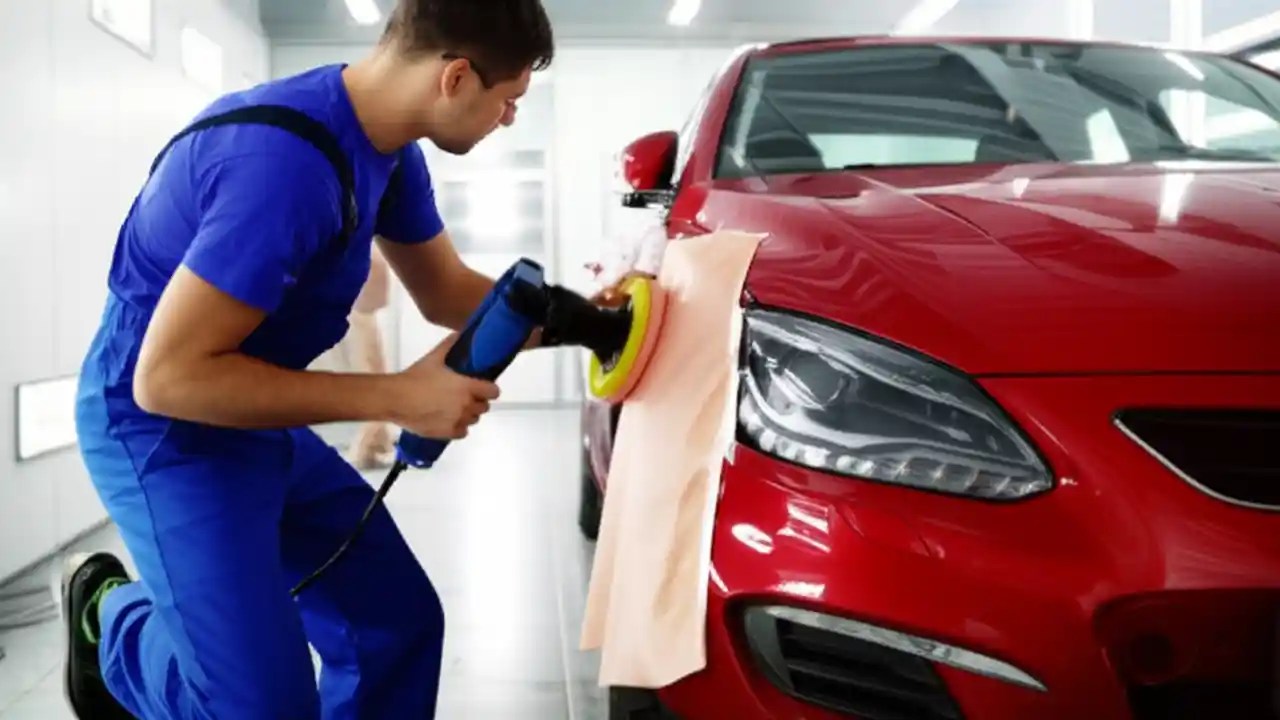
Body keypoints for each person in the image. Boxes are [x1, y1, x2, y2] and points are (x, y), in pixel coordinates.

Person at [62, 1, 553, 718]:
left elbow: (447, 294)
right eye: (508, 101)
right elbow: (167, 378)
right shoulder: (283, 167)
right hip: (158, 428)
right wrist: (398, 396)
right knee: (257, 708)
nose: (509, 119)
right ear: (454, 78)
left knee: (396, 624)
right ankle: (110, 619)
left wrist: (594, 321)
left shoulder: (388, 152)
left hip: (250, 417)